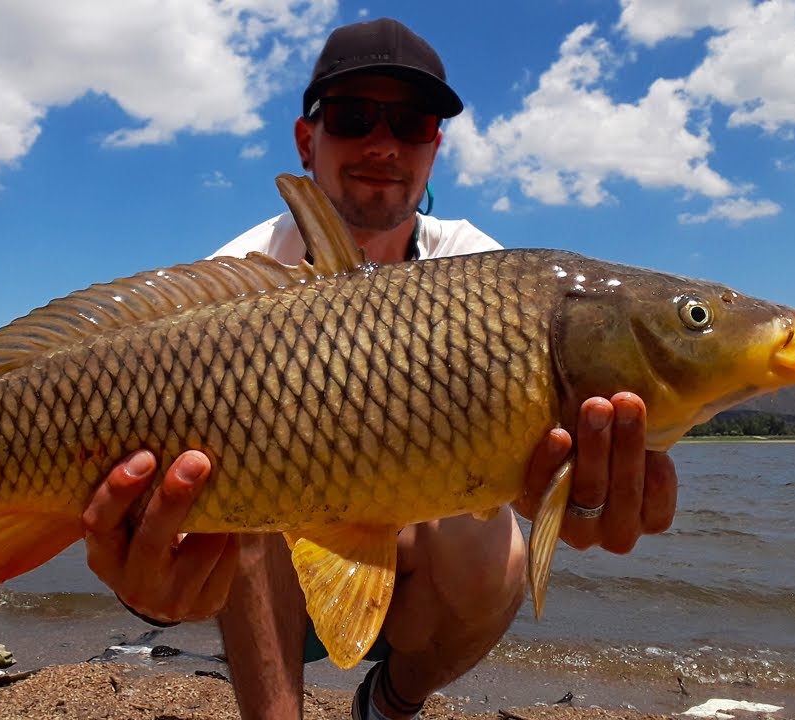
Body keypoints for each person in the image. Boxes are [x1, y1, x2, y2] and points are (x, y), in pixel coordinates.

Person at [81, 18, 678, 720]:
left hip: (408, 593)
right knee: (241, 484)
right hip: (253, 597)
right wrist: (138, 581)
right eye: (353, 116)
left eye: (411, 122)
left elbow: (532, 477)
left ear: (434, 148)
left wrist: (563, 496)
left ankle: (389, 703)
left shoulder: (485, 272)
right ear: (309, 140)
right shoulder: (232, 282)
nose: (382, 143)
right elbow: (143, 508)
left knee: (502, 551)